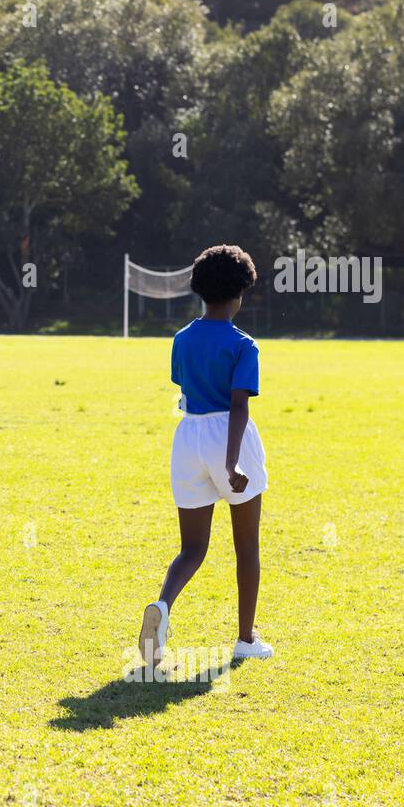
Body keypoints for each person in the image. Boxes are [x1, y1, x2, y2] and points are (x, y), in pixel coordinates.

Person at [141, 244, 273, 666]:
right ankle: (245, 638)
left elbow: (184, 385)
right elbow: (238, 405)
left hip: (188, 438)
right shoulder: (244, 345)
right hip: (229, 439)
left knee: (192, 548)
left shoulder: (181, 339)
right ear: (239, 293)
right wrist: (232, 462)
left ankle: (161, 607)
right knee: (246, 547)